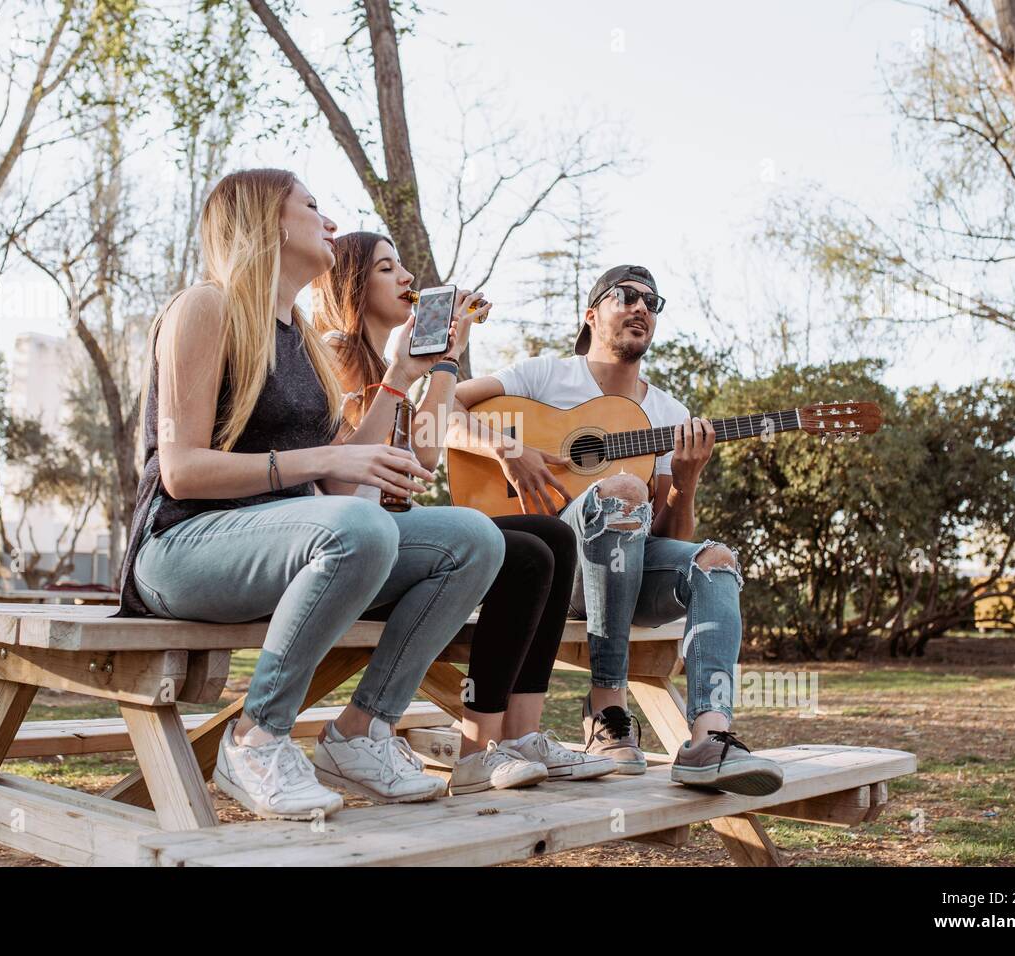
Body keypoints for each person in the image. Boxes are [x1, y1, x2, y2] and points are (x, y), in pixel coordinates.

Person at [114, 170, 505, 820]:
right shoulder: (205, 308)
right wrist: (331, 456)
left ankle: (362, 730)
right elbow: (179, 472)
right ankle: (257, 736)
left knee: (474, 541)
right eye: (313, 206)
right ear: (267, 220)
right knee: (362, 528)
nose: (329, 221)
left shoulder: (304, 345)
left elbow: (354, 483)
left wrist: (413, 371)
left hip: (295, 538)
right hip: (179, 546)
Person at [447, 265, 784, 796]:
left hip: (626, 577)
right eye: (626, 296)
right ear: (591, 314)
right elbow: (437, 411)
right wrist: (508, 448)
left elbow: (669, 534)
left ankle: (709, 738)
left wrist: (686, 482)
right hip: (548, 573)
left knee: (715, 560)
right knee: (623, 489)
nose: (641, 307)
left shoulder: (668, 412)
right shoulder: (544, 377)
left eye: (653, 302)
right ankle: (607, 709)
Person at [313, 232, 615, 794]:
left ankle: (519, 736)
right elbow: (343, 471)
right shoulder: (329, 357)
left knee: (551, 536)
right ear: (352, 286)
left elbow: (425, 451)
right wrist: (402, 380)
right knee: (521, 552)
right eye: (387, 268)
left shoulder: (390, 362)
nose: (407, 278)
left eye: (402, 265)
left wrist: (449, 358)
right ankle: (478, 750)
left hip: (393, 535)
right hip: (347, 545)